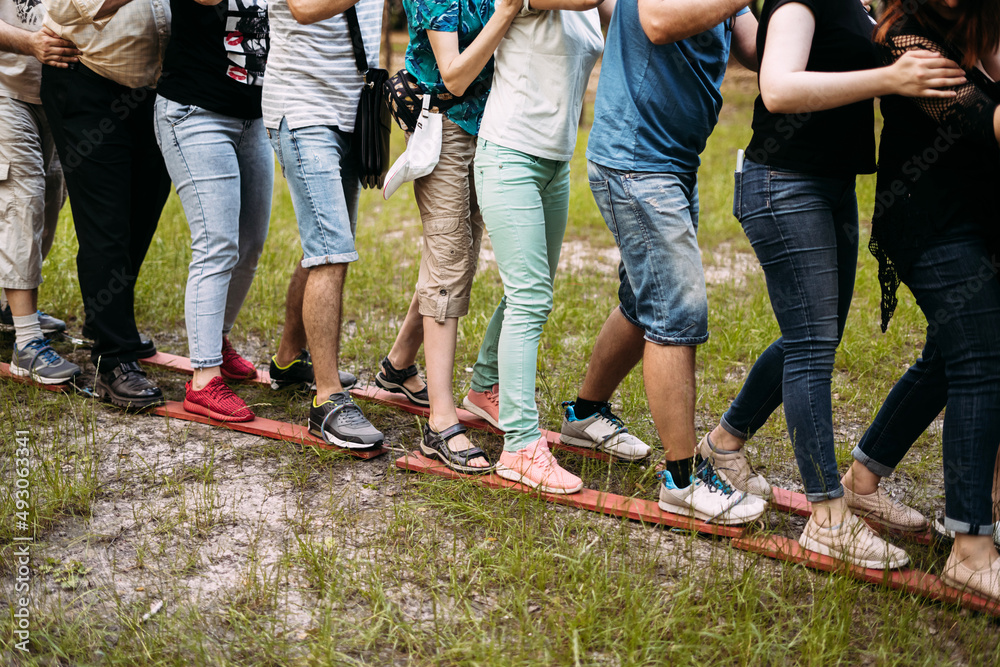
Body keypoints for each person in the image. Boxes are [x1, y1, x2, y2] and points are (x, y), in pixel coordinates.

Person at [700, 0, 967, 566]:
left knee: (812, 337)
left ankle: (724, 445)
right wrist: (890, 78)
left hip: (831, 184)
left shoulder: (857, 4)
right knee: (812, 346)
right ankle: (827, 518)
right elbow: (778, 88)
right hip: (784, 182)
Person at [552, 0, 765, 521]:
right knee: (676, 311)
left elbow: (756, 49)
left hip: (671, 163)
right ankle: (682, 480)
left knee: (642, 300)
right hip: (636, 162)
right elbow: (658, 21)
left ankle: (584, 415)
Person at [845, 0, 1000, 597]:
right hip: (929, 223)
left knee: (946, 358)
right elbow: (983, 122)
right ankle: (970, 547)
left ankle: (862, 480)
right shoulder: (907, 36)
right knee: (980, 357)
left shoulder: (979, 25)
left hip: (977, 221)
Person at [460, 0, 628, 493]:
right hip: (510, 156)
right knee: (530, 298)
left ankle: (484, 387)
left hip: (554, 163)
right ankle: (520, 447)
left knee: (528, 292)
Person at [375, 0, 522, 472]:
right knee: (449, 259)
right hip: (444, 126)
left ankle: (399, 364)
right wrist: (507, 12)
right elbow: (454, 76)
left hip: (487, 128)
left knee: (455, 256)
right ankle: (440, 424)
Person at [40, 0, 172, 409]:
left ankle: (106, 322)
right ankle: (114, 359)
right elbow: (90, 6)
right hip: (88, 84)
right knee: (106, 222)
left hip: (154, 91)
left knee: (143, 212)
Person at [264, 0, 383, 448]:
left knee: (329, 248)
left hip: (352, 111)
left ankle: (288, 360)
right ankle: (328, 400)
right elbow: (304, 7)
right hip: (304, 110)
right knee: (331, 251)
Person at [152, 0, 272, 422]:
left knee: (251, 242)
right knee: (217, 243)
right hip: (195, 111)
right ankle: (204, 378)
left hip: (251, 117)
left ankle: (215, 340)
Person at [0, 0, 80, 383]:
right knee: (23, 203)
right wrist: (30, 44)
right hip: (6, 91)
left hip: (57, 96)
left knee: (50, 201)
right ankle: (27, 343)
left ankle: (9, 309)